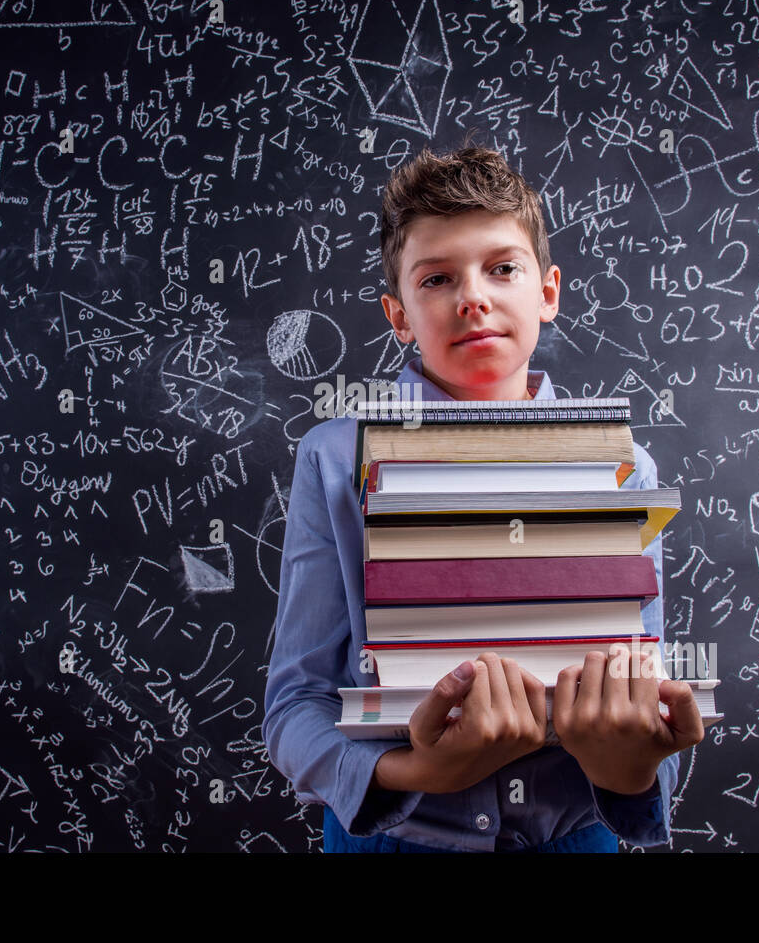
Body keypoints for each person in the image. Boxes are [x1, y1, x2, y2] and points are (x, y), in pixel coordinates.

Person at [262, 141, 705, 852]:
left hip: (573, 832)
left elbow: (637, 681)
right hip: (398, 834)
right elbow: (294, 707)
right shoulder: (334, 458)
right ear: (398, 314)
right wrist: (419, 771)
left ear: (549, 291)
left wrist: (632, 766)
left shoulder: (624, 467)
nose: (474, 295)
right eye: (436, 279)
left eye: (503, 267)